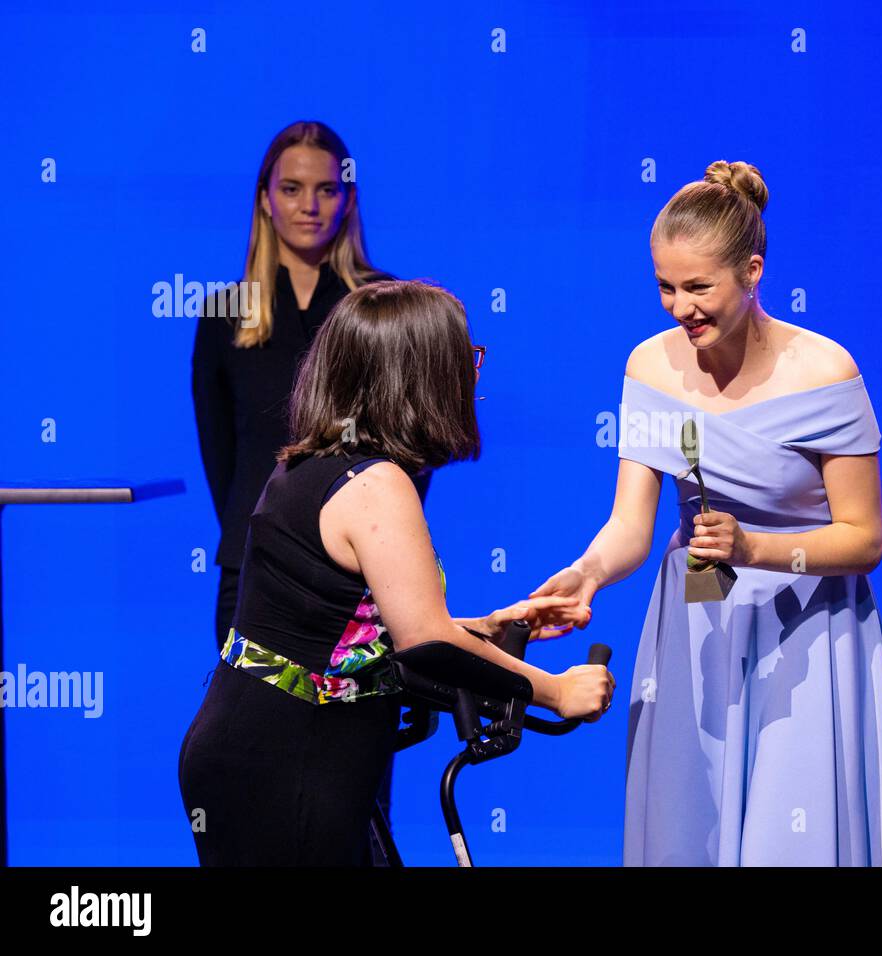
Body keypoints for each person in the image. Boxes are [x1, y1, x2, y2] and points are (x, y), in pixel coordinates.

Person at [531, 161, 882, 866]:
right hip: (696, 625)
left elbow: (865, 538)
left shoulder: (824, 371)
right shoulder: (649, 367)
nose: (677, 307)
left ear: (752, 271)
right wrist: (587, 572)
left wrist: (755, 549)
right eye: (664, 286)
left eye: (697, 287)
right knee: (694, 829)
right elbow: (631, 525)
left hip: (809, 629)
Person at [178, 280, 613, 866]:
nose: (475, 373)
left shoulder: (317, 465)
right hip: (285, 764)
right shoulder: (377, 484)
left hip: (262, 753)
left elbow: (347, 632)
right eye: (465, 357)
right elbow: (426, 640)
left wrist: (488, 628)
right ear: (422, 375)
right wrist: (557, 692)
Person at [192, 120, 416, 654]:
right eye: (291, 189)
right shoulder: (224, 311)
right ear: (266, 200)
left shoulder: (384, 302)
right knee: (250, 730)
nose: (309, 205)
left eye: (326, 189)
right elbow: (220, 454)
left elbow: (409, 442)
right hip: (252, 560)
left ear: (348, 198)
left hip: (360, 564)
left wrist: (384, 535)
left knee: (346, 733)